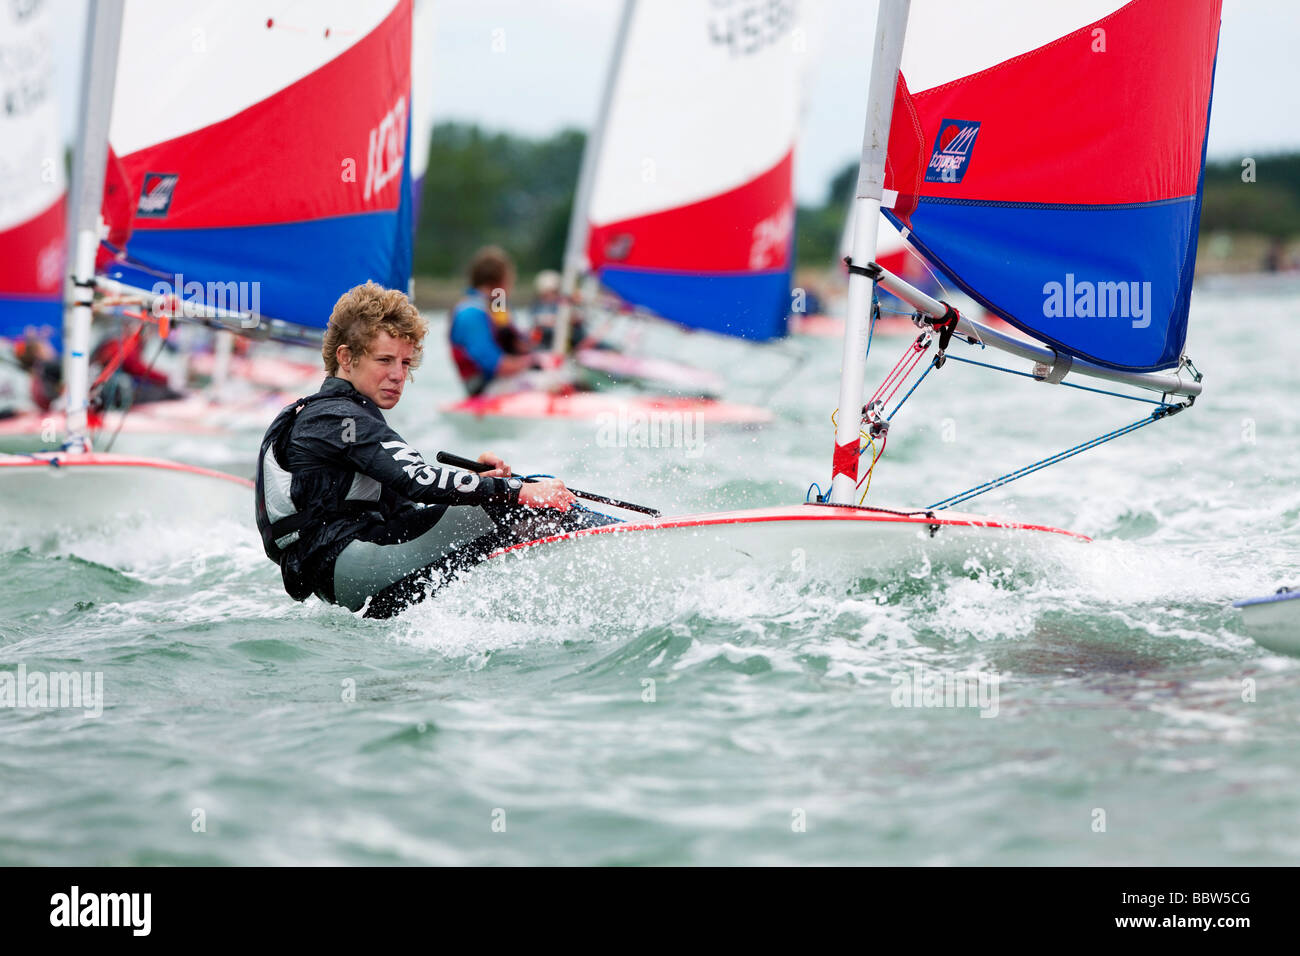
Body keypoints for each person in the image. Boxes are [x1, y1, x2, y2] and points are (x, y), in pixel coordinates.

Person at [255, 281, 615, 618]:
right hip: (348, 565)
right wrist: (518, 490)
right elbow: (418, 479)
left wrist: (479, 480)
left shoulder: (334, 414)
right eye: (385, 360)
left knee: (503, 500)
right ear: (346, 358)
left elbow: (408, 501)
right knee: (519, 501)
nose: (398, 374)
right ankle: (622, 557)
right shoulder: (339, 417)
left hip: (345, 565)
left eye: (405, 362)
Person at [448, 246, 560, 395]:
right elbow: (495, 364)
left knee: (562, 374)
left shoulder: (496, 305)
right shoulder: (471, 313)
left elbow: (515, 342)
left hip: (503, 381)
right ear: (500, 281)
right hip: (485, 389)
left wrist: (538, 336)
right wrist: (531, 361)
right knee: (556, 383)